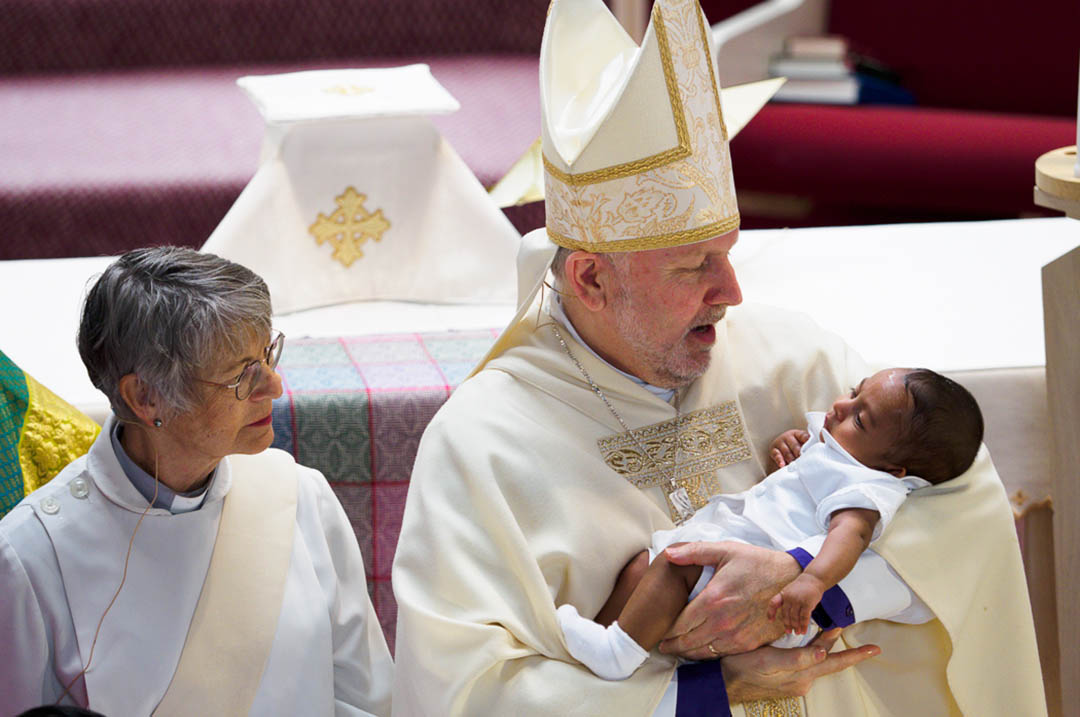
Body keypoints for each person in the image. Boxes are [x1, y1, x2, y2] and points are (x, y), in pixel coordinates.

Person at [391, 0, 1044, 715]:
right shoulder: (481, 444)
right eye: (692, 266)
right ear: (591, 279)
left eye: (729, 254)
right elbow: (464, 690)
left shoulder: (794, 356)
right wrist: (706, 691)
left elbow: (965, 498)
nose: (731, 292)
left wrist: (811, 586)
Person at [0, 247, 393, 715]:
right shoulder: (32, 557)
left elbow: (365, 699)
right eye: (243, 376)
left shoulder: (298, 495)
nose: (275, 385)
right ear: (145, 397)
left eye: (268, 354)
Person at [557, 368, 984, 680]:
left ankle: (616, 655)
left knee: (674, 563)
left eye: (859, 417)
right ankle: (606, 644)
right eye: (855, 393)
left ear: (895, 468)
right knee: (641, 569)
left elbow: (849, 536)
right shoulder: (845, 452)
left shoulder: (868, 487)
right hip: (731, 556)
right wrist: (790, 451)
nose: (839, 405)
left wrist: (811, 580)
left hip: (768, 587)